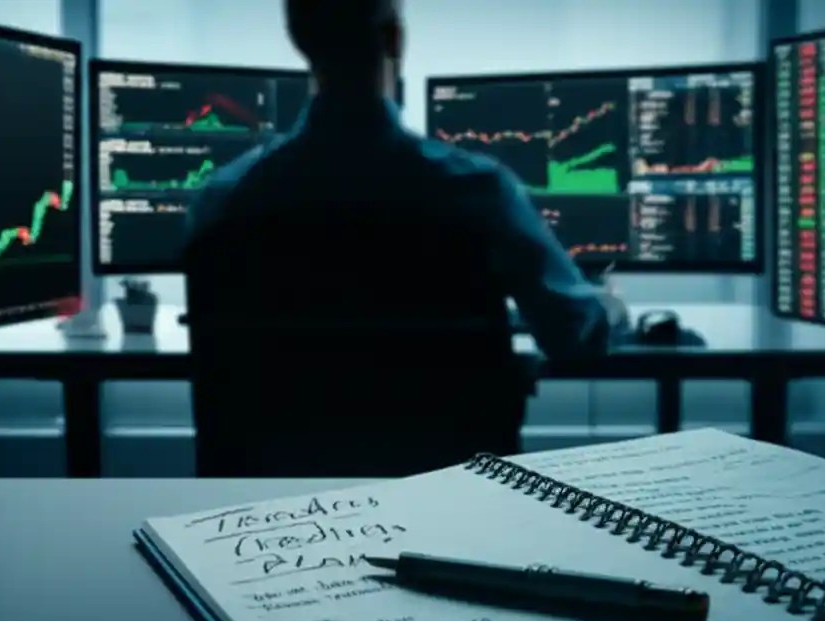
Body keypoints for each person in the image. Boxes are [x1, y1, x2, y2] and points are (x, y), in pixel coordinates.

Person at [186, 0, 627, 359]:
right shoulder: (478, 192)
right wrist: (610, 307)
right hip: (444, 467)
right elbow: (575, 338)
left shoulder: (223, 200)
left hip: (274, 466)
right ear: (396, 36)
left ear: (298, 39)